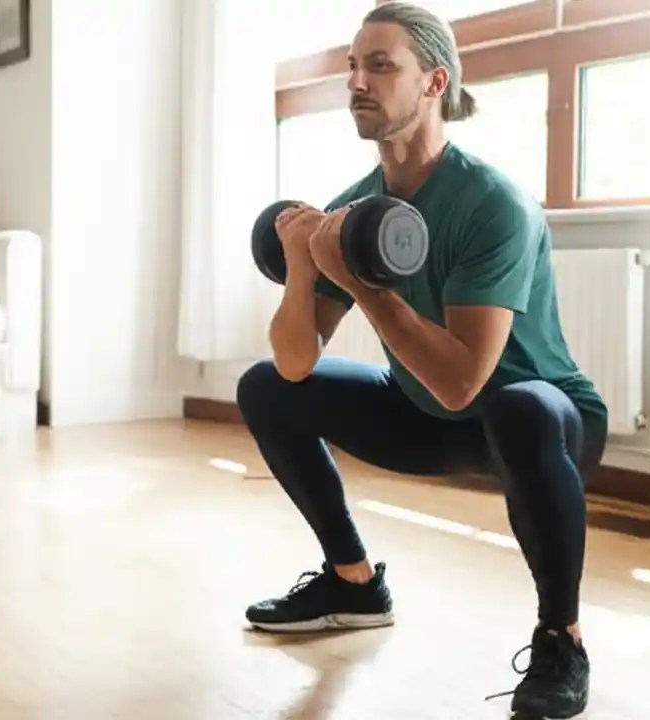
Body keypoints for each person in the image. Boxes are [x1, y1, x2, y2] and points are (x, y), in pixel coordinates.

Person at [236, 2, 608, 717]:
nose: (357, 82)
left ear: (435, 82)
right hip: (431, 416)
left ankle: (562, 637)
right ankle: (352, 585)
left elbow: (464, 377)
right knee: (263, 388)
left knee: (517, 404)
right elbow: (291, 365)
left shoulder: (492, 202)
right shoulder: (355, 205)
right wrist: (304, 268)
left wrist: (361, 285)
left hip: (544, 421)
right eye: (352, 65)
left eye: (381, 65)